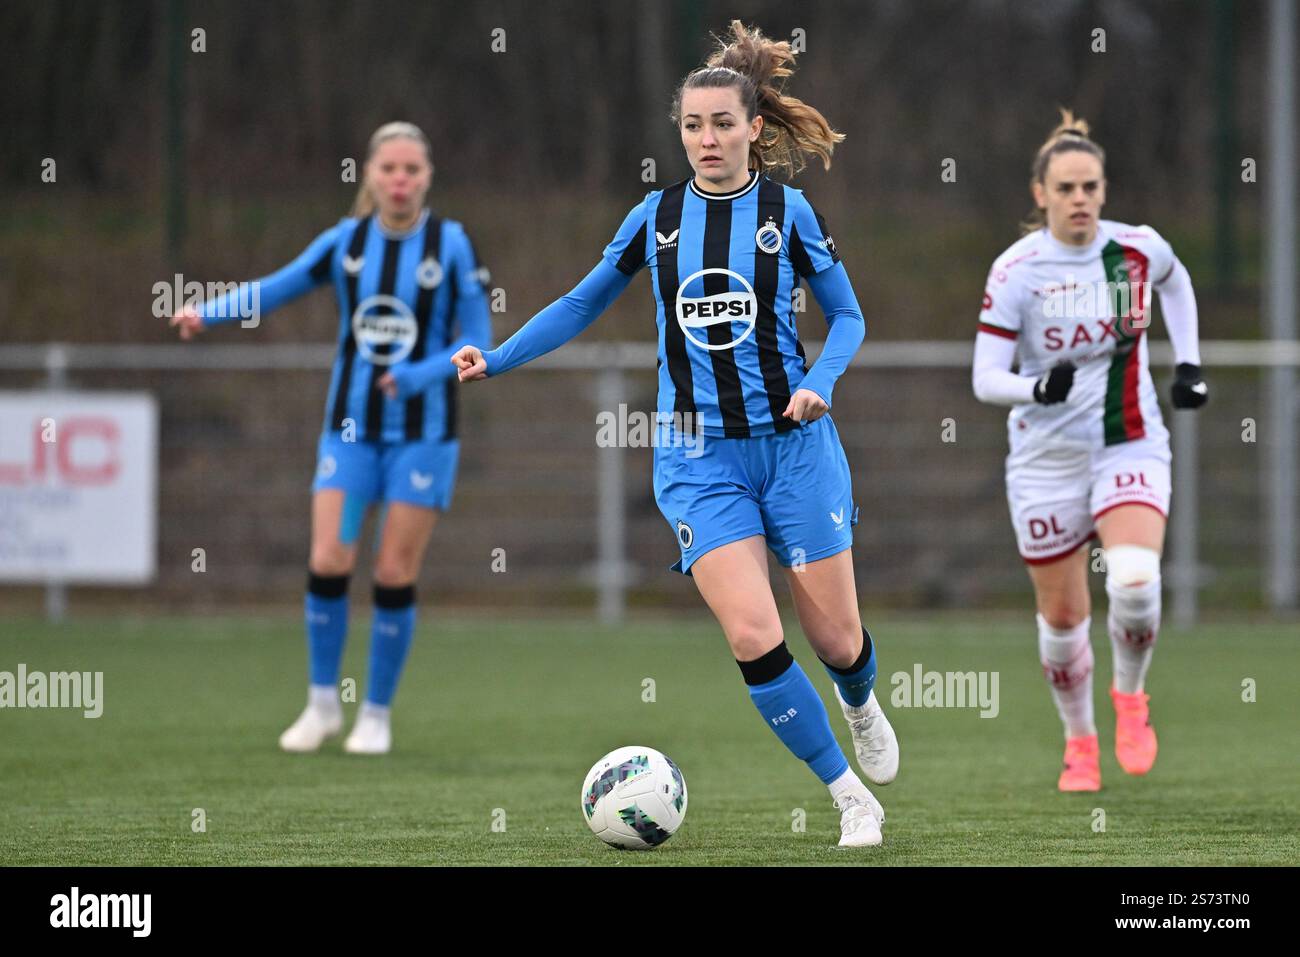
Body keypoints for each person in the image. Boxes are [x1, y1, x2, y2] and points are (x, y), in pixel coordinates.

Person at [451, 22, 898, 846]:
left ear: (754, 126)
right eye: (692, 126)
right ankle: (848, 797)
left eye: (722, 123)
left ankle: (861, 696)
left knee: (836, 638)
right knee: (754, 633)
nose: (707, 139)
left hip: (793, 448)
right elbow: (583, 302)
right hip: (698, 456)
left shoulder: (787, 211)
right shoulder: (655, 218)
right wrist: (500, 357)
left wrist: (818, 384)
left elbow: (848, 316)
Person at [171, 121, 492, 755]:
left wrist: (420, 374)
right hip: (349, 434)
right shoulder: (345, 243)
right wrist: (205, 312)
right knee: (328, 561)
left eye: (412, 170)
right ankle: (322, 706)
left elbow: (475, 341)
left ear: (428, 178)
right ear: (370, 175)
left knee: (393, 571)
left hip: (424, 438)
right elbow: (276, 287)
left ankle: (374, 714)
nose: (400, 180)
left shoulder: (450, 246)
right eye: (389, 169)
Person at [972, 110, 1208, 791]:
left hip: (1127, 441)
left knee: (1134, 577)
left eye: (1091, 187)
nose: (1080, 199)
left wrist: (1188, 363)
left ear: (1104, 191)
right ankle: (1081, 742)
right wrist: (1035, 386)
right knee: (1065, 615)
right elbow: (985, 378)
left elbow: (1177, 279)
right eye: (1067, 187)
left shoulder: (1135, 249)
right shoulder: (1017, 270)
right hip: (1044, 460)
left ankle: (1130, 697)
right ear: (1039, 193)